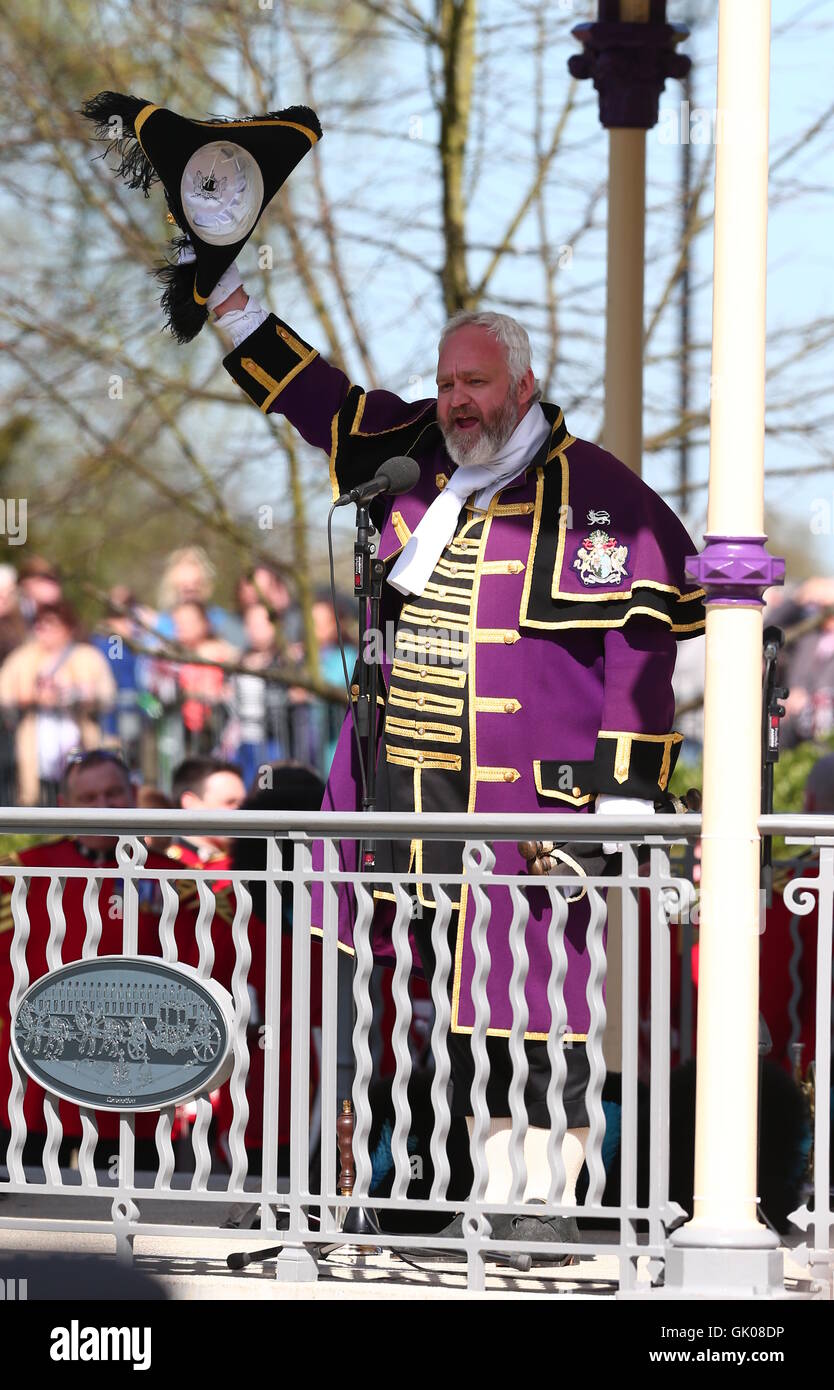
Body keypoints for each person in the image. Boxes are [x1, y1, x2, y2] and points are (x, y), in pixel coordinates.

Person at [191, 267, 706, 1251]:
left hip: (526, 810)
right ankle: (339, 1186)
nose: (455, 400)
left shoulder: (596, 491)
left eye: (473, 382)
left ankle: (530, 1201)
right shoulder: (404, 456)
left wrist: (628, 789)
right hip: (390, 788)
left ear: (521, 384)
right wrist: (232, 307)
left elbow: (643, 644)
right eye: (445, 381)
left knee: (526, 1010)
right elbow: (312, 396)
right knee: (352, 988)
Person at [0, 750, 199, 1171]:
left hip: (132, 1089)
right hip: (33, 1084)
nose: (103, 806)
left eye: (113, 793)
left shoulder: (172, 880)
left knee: (135, 1213)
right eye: (89, 797)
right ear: (65, 806)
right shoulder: (24, 872)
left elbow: (194, 978)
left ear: (132, 796)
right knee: (27, 1212)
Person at [0, 601, 116, 805]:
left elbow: (107, 695)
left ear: (67, 627)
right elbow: (5, 691)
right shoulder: (24, 657)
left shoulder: (86, 656)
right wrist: (32, 697)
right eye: (40, 625)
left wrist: (76, 696)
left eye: (51, 625)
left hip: (78, 734)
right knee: (38, 797)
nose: (44, 631)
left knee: (79, 787)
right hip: (36, 740)